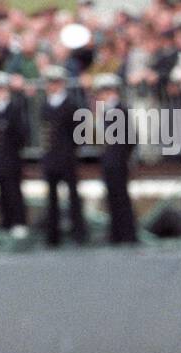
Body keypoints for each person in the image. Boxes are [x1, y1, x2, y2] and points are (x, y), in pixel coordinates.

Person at [41, 66, 87, 246]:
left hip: (67, 157)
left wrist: (72, 150)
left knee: (73, 196)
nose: (52, 86)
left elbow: (79, 132)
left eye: (55, 82)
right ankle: (53, 236)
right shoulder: (46, 105)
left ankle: (79, 233)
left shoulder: (71, 105)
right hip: (51, 157)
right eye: (50, 82)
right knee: (52, 198)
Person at [93, 73, 138, 244]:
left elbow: (131, 138)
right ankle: (116, 233)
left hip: (118, 160)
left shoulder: (121, 110)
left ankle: (128, 233)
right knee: (111, 197)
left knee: (121, 196)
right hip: (108, 160)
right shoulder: (104, 112)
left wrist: (122, 156)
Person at [0, 71, 29, 236]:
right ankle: (6, 221)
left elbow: (22, 134)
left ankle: (19, 222)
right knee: (2, 191)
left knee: (14, 191)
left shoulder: (14, 108)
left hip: (12, 157)